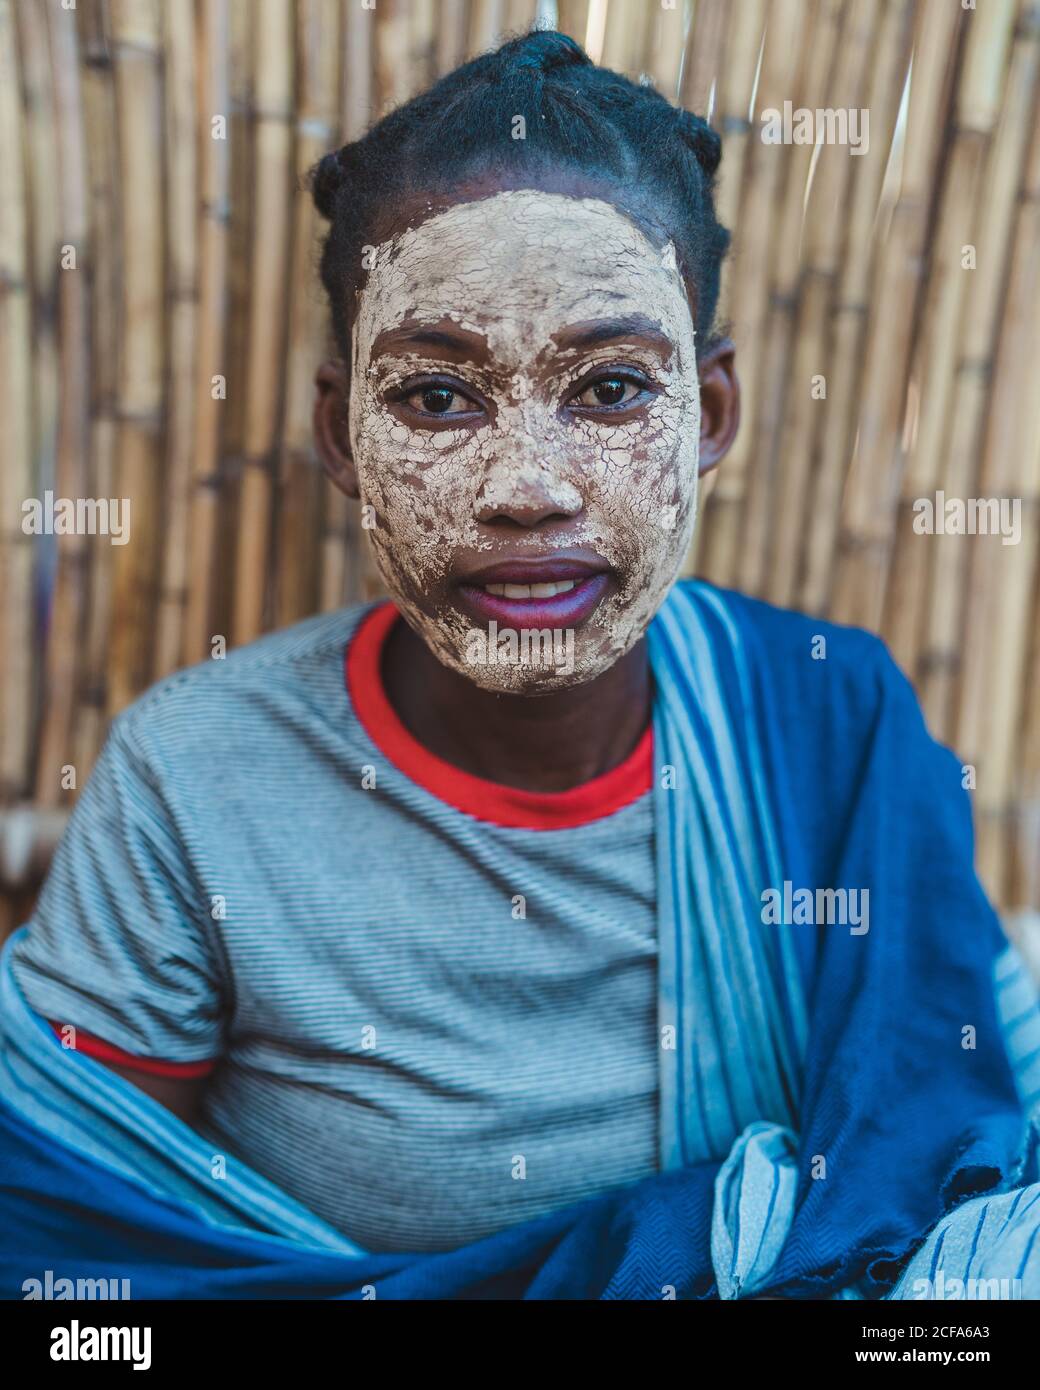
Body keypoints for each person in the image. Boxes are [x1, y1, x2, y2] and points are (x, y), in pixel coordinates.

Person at [2, 29, 1037, 1301]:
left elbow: (967, 1171)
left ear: (708, 414)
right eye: (436, 397)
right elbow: (61, 1239)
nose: (527, 490)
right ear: (341, 432)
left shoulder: (829, 720)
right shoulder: (194, 780)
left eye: (609, 388)